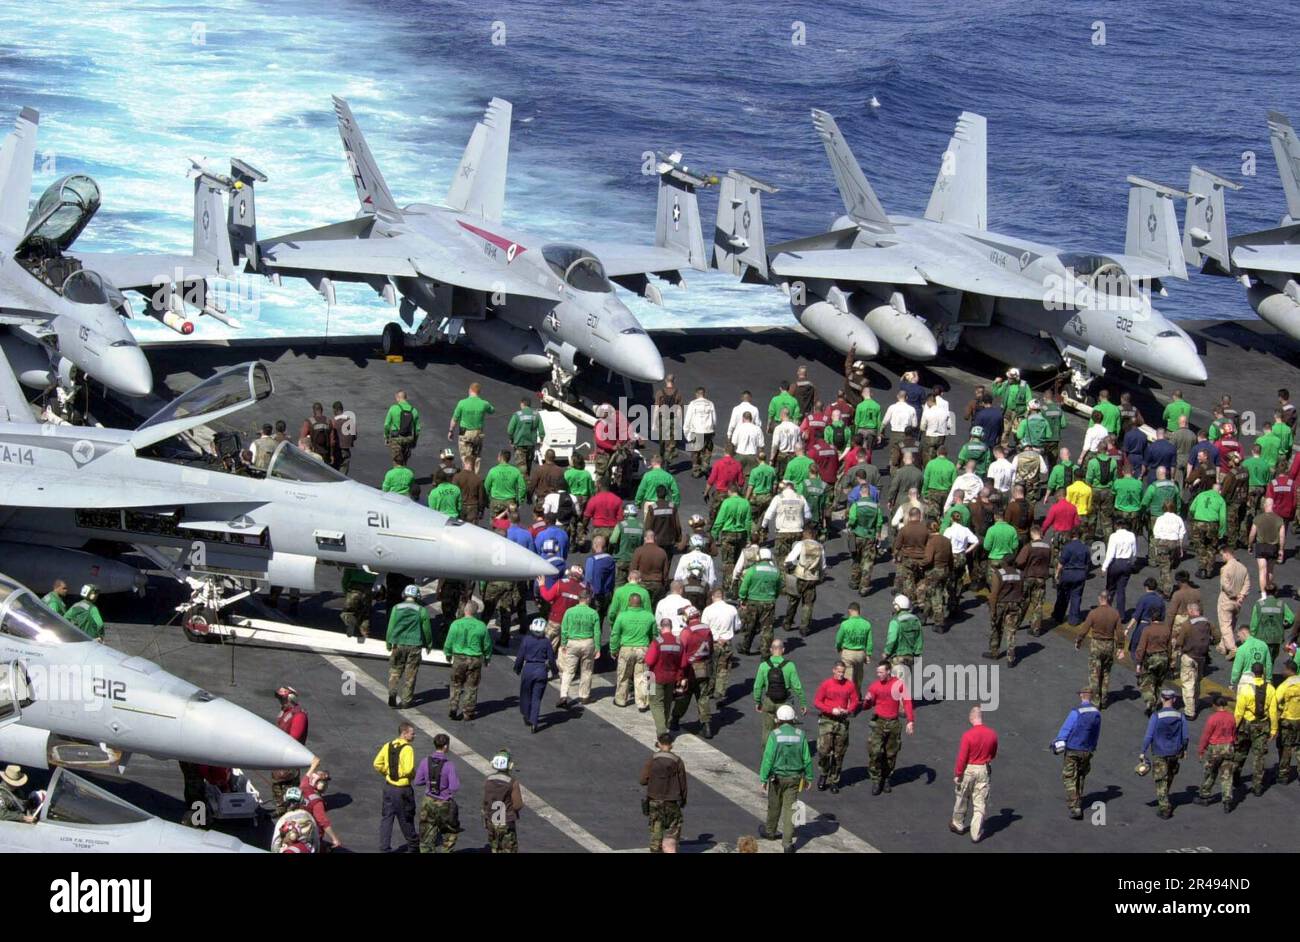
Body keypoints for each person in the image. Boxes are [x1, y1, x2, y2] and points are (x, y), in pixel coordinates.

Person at [756, 704, 814, 854]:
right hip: (794, 778)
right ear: (793, 719)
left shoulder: (774, 735)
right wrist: (809, 777)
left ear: (778, 720)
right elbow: (806, 759)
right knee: (790, 810)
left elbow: (768, 759)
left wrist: (763, 778)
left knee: (774, 805)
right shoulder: (800, 735)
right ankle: (787, 844)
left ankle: (770, 832)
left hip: (777, 778)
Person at [863, 660, 915, 794]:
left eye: (881, 672)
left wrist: (910, 720)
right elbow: (867, 706)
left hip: (893, 722)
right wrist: (867, 700)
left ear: (888, 672)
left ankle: (886, 778)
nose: (878, 674)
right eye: (877, 672)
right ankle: (876, 779)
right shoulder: (874, 686)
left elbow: (907, 702)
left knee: (891, 753)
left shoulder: (898, 684)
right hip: (878, 723)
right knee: (875, 752)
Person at [1052, 689, 1101, 820]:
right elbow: (1096, 733)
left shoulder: (1076, 712)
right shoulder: (1097, 713)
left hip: (1073, 748)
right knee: (1080, 775)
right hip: (1087, 750)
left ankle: (1074, 807)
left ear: (1081, 696)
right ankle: (1078, 799)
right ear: (1091, 697)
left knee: (1069, 777)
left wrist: (1057, 742)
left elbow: (1066, 729)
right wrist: (1092, 748)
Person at [1141, 689, 1189, 819]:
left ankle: (1164, 806)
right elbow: (1185, 737)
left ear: (1162, 699)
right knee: (1170, 776)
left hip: (1160, 752)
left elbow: (1149, 736)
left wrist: (1142, 751)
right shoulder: (1180, 716)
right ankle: (1165, 796)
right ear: (1174, 700)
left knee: (1160, 779)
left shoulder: (1156, 716)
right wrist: (1184, 749)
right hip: (1175, 752)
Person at [952, 706, 997, 842]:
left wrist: (958, 773)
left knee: (962, 796)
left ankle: (958, 824)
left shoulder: (968, 735)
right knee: (980, 801)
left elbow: (962, 757)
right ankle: (975, 832)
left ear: (971, 718)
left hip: (969, 769)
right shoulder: (992, 734)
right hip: (983, 769)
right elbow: (993, 753)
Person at [812, 661, 859, 794]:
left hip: (841, 721)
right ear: (834, 670)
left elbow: (855, 700)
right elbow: (817, 701)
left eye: (842, 672)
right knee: (824, 750)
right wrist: (830, 709)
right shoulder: (826, 684)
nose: (840, 675)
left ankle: (834, 780)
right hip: (827, 720)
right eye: (838, 672)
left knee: (839, 753)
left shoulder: (849, 685)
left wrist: (848, 710)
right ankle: (823, 774)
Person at [373, 721, 419, 853]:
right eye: (412, 733)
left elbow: (377, 763)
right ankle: (413, 845)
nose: (414, 736)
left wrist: (387, 772)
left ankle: (384, 847)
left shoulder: (388, 745)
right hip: (402, 789)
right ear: (404, 734)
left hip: (389, 787)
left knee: (387, 817)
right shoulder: (408, 748)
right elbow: (409, 768)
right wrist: (408, 775)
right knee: (406, 817)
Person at [1234, 661, 1278, 797]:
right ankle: (1257, 786)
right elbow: (1273, 711)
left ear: (1253, 673)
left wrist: (1233, 728)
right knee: (1259, 756)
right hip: (1262, 726)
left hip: (1247, 725)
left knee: (1241, 752)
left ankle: (1235, 777)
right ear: (1263, 673)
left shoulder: (1245, 689)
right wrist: (1274, 729)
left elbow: (1238, 713)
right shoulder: (1270, 689)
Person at [386, 585, 433, 709]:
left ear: (404, 594)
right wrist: (428, 643)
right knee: (410, 675)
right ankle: (406, 701)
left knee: (395, 671)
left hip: (398, 644)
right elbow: (426, 630)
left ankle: (392, 691)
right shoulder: (421, 610)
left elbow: (391, 626)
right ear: (417, 596)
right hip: (414, 645)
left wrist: (388, 642)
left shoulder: (396, 608)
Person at [1075, 591, 1125, 707]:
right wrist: (1120, 647)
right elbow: (1120, 633)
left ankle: (1095, 701)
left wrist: (1079, 640)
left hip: (1096, 644)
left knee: (1094, 673)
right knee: (1106, 672)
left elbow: (1084, 629)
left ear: (1099, 599)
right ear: (1109, 599)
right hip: (1109, 645)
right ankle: (1103, 699)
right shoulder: (1115, 613)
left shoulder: (1094, 613)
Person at [444, 601, 492, 721]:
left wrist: (448, 653)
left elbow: (449, 641)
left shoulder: (456, 624)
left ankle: (453, 706)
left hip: (459, 658)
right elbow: (487, 645)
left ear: (465, 610)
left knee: (456, 684)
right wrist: (487, 657)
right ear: (476, 612)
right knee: (471, 686)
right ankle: (468, 712)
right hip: (475, 659)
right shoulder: (481, 626)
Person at [413, 733, 461, 853]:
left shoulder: (425, 761)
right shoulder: (449, 765)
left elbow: (418, 781)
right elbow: (454, 786)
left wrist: (430, 782)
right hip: (444, 802)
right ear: (445, 746)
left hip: (428, 800)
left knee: (426, 834)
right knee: (450, 832)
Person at [753, 637, 806, 745]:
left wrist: (758, 701)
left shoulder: (763, 666)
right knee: (786, 732)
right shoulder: (789, 666)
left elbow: (757, 686)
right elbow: (797, 686)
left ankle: (767, 757)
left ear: (771, 650)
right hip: (785, 702)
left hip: (769, 701)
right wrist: (803, 703)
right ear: (783, 650)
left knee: (767, 731)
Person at [641, 733, 689, 853]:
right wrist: (683, 800)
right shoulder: (677, 761)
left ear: (659, 743)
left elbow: (642, 780)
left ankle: (655, 849)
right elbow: (683, 783)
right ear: (671, 745)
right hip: (672, 800)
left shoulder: (652, 759)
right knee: (673, 830)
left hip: (654, 799)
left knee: (656, 828)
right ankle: (669, 849)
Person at [557, 589, 601, 708]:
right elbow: (597, 632)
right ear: (588, 599)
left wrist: (563, 644)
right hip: (588, 643)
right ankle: (584, 696)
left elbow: (564, 629)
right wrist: (597, 647)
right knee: (586, 670)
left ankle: (563, 695)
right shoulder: (593, 613)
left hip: (572, 642)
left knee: (568, 670)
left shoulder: (569, 612)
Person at [270, 686, 310, 816]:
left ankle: (289, 810)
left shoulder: (298, 715)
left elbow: (294, 737)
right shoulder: (285, 711)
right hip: (281, 752)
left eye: (282, 698)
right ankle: (281, 808)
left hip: (289, 755)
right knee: (277, 782)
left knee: (286, 783)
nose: (280, 701)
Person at [1195, 694, 1239, 810]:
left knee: (1210, 772)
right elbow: (1234, 733)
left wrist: (1201, 750)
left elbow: (1206, 735)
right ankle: (1227, 800)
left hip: (1215, 748)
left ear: (1215, 705)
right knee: (1227, 775)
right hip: (1228, 747)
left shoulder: (1213, 718)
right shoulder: (1231, 717)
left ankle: (1205, 796)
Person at [515, 618, 558, 733]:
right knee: (537, 697)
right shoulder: (546, 642)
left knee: (525, 694)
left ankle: (526, 714)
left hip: (528, 669)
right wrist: (555, 672)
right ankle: (534, 722)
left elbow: (520, 656)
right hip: (541, 670)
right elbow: (552, 659)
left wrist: (517, 668)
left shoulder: (526, 640)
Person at [738, 547, 783, 656]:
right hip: (769, 602)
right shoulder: (776, 571)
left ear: (759, 557)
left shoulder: (752, 570)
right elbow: (778, 588)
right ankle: (766, 652)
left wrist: (742, 598)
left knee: (750, 626)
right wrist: (773, 597)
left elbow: (744, 587)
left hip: (753, 601)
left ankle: (745, 647)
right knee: (767, 628)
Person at [645, 618, 686, 736]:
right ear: (671, 627)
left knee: (654, 703)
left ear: (660, 628)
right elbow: (683, 664)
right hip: (671, 678)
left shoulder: (657, 642)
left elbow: (649, 660)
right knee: (667, 702)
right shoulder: (679, 642)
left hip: (654, 677)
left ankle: (662, 731)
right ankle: (665, 722)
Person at [781, 527, 824, 637]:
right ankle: (804, 626)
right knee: (808, 603)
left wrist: (790, 567)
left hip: (800, 576)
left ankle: (788, 622)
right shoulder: (820, 547)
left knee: (793, 600)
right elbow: (823, 565)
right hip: (812, 578)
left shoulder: (801, 544)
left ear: (807, 534)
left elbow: (789, 560)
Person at [702, 588, 739, 707]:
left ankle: (709, 689)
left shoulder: (708, 610)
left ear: (713, 597)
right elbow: (737, 625)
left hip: (712, 642)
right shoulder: (732, 609)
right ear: (722, 596)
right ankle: (719, 690)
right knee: (723, 667)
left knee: (710, 666)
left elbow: (704, 628)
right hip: (726, 642)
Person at [482, 750, 524, 853]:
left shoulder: (488, 780)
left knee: (495, 847)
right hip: (505, 822)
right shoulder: (512, 782)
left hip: (491, 820)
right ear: (509, 765)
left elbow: (485, 802)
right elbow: (518, 805)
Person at [1274, 659, 1300, 785]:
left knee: (1286, 747)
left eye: (1284, 669)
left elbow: (1275, 701)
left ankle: (1283, 775)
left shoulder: (1285, 685)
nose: (1283, 671)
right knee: (1299, 747)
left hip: (1288, 720)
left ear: (1289, 670)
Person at [683, 386, 717, 478]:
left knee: (695, 451)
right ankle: (705, 467)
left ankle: (696, 471)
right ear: (704, 394)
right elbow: (714, 419)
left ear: (696, 394)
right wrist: (713, 430)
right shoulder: (710, 403)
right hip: (708, 431)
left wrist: (687, 433)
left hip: (696, 431)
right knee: (707, 450)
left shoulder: (692, 404)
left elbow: (688, 419)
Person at [506, 397, 542, 474]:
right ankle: (527, 481)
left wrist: (511, 440)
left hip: (520, 445)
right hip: (531, 445)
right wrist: (541, 440)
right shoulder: (536, 415)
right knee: (528, 466)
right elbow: (542, 430)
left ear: (522, 404)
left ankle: (522, 483)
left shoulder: (517, 415)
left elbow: (510, 430)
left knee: (521, 467)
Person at [383, 390, 421, 463]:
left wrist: (386, 437)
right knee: (404, 460)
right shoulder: (414, 410)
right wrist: (414, 441)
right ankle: (405, 472)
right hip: (408, 439)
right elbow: (417, 429)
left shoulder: (393, 408)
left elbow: (386, 425)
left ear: (397, 398)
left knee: (397, 461)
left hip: (396, 438)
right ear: (406, 398)